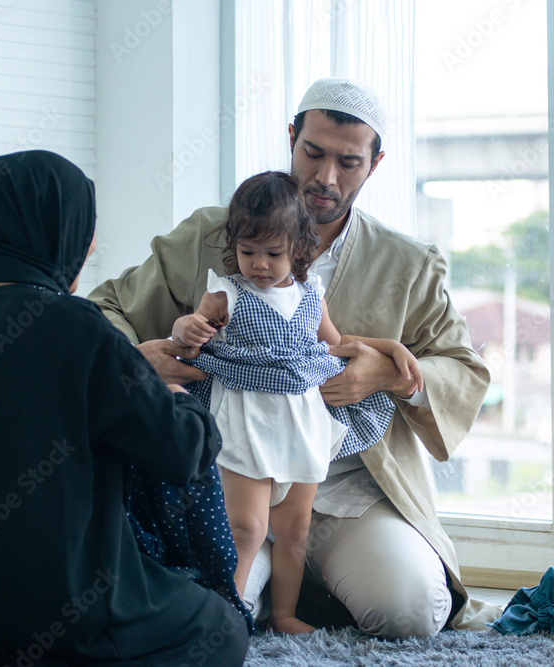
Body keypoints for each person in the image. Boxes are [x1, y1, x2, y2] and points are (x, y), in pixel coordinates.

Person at [89, 78, 503, 636]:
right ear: (291, 138)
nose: (326, 177)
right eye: (313, 153)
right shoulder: (214, 233)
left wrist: (393, 375)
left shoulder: (407, 263)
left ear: (375, 164)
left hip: (344, 486)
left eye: (349, 162)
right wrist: (141, 361)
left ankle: (311, 579)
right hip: (233, 472)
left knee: (411, 611)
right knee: (210, 609)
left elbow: (463, 366)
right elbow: (106, 307)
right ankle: (275, 587)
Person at [0, 150, 248, 665]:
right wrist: (177, 399)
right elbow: (183, 455)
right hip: (69, 617)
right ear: (65, 234)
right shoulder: (78, 326)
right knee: (220, 627)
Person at [170, 171, 423, 634]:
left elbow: (334, 344)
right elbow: (190, 335)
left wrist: (388, 346)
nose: (259, 265)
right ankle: (226, 615)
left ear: (299, 249)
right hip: (246, 424)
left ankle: (285, 612)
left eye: (273, 253)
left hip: (301, 427)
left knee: (294, 532)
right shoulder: (226, 292)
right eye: (248, 252)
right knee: (244, 530)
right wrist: (186, 330)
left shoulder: (310, 295)